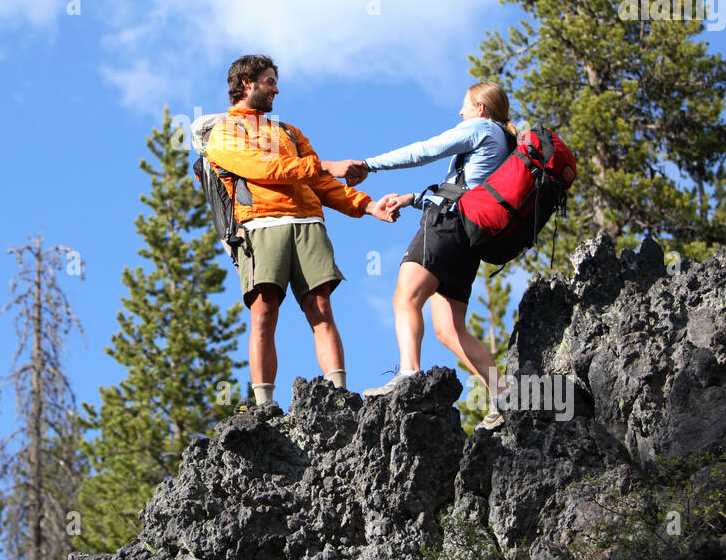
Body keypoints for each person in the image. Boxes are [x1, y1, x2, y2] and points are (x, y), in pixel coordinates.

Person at [205, 54, 399, 405]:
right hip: (261, 225)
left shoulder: (289, 132)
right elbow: (264, 167)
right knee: (263, 311)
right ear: (246, 82)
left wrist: (368, 205)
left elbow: (321, 181)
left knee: (321, 308)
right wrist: (326, 164)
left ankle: (339, 396)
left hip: (308, 223)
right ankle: (265, 405)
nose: (276, 90)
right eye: (269, 82)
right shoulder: (224, 132)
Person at [327, 82, 517, 426]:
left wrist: (370, 165)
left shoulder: (481, 128)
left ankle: (409, 374)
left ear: (481, 109)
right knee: (449, 328)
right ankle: (503, 396)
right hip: (468, 240)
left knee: (406, 297)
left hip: (445, 227)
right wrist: (413, 198)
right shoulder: (502, 141)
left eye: (465, 105)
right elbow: (468, 188)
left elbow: (425, 150)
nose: (461, 112)